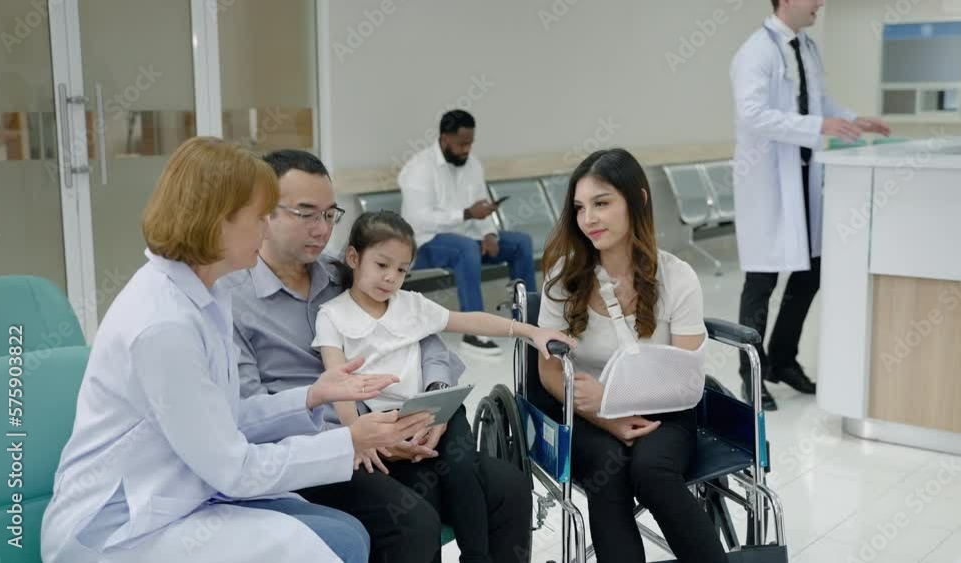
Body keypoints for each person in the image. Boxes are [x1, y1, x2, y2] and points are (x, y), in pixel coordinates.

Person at [40, 137, 433, 563]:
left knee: (347, 531)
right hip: (121, 526)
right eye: (260, 216)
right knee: (339, 543)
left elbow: (222, 419)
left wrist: (310, 395)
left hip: (179, 491)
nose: (267, 229)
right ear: (215, 221)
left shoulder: (205, 293)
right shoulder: (163, 325)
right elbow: (234, 467)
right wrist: (347, 442)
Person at [227, 149, 533, 563]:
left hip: (396, 431)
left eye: (329, 214)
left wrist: (435, 402)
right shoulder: (232, 305)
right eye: (306, 214)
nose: (322, 229)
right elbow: (249, 416)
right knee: (412, 521)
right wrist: (353, 439)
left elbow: (426, 340)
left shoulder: (347, 274)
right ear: (263, 211)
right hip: (317, 456)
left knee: (508, 487)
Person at [316, 210, 574, 563]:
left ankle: (476, 556)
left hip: (433, 407)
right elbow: (338, 380)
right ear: (353, 257)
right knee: (423, 494)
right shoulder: (332, 315)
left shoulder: (410, 305)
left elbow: (469, 319)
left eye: (402, 269)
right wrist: (355, 436)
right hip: (385, 423)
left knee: (462, 466)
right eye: (382, 265)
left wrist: (530, 331)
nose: (391, 278)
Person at [537, 149, 728, 563]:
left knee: (652, 470)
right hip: (583, 411)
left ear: (638, 200)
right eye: (580, 208)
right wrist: (606, 416)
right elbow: (549, 371)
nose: (589, 219)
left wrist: (616, 398)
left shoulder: (678, 277)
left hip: (665, 408)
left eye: (602, 203)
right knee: (609, 467)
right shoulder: (563, 279)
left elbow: (685, 378)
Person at [730, 0, 890, 409]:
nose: (820, 2)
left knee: (812, 271)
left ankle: (783, 359)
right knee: (762, 282)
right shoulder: (756, 51)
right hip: (768, 179)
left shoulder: (807, 48)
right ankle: (751, 373)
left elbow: (818, 104)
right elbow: (753, 115)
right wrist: (818, 126)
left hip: (803, 176)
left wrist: (854, 119)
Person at [399, 109, 537, 355]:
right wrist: (466, 214)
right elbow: (418, 220)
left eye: (470, 143)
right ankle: (474, 332)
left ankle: (527, 322)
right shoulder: (418, 168)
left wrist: (489, 234)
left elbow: (481, 206)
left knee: (521, 243)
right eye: (462, 144)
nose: (466, 150)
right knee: (466, 248)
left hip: (469, 240)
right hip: (425, 244)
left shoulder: (473, 165)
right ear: (444, 139)